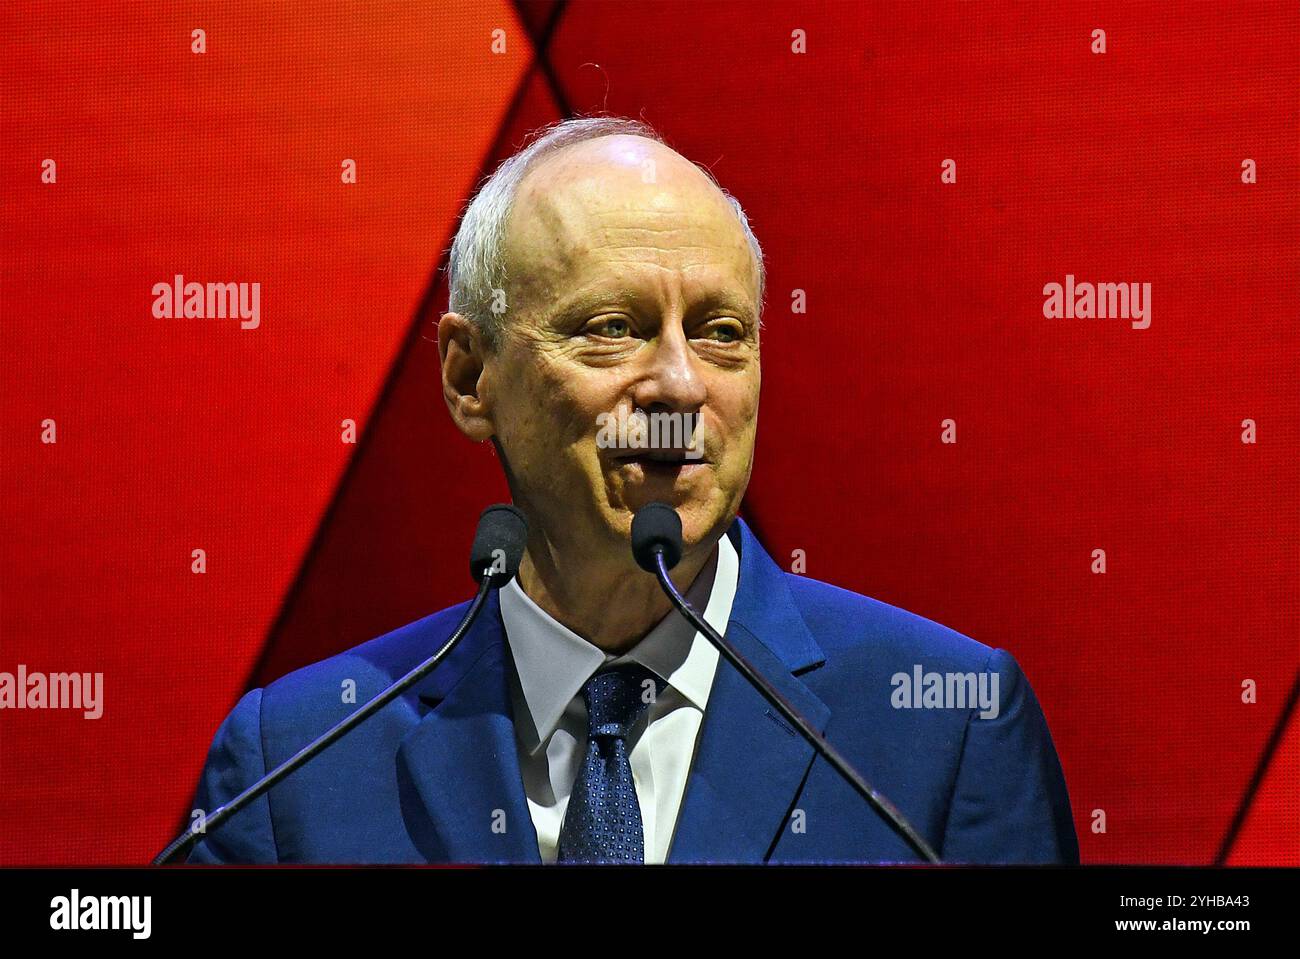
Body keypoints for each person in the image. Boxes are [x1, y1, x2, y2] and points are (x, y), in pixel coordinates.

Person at [184, 115, 1078, 865]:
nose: (682, 386)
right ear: (470, 377)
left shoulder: (947, 724)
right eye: (615, 328)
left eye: (723, 332)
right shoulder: (297, 764)